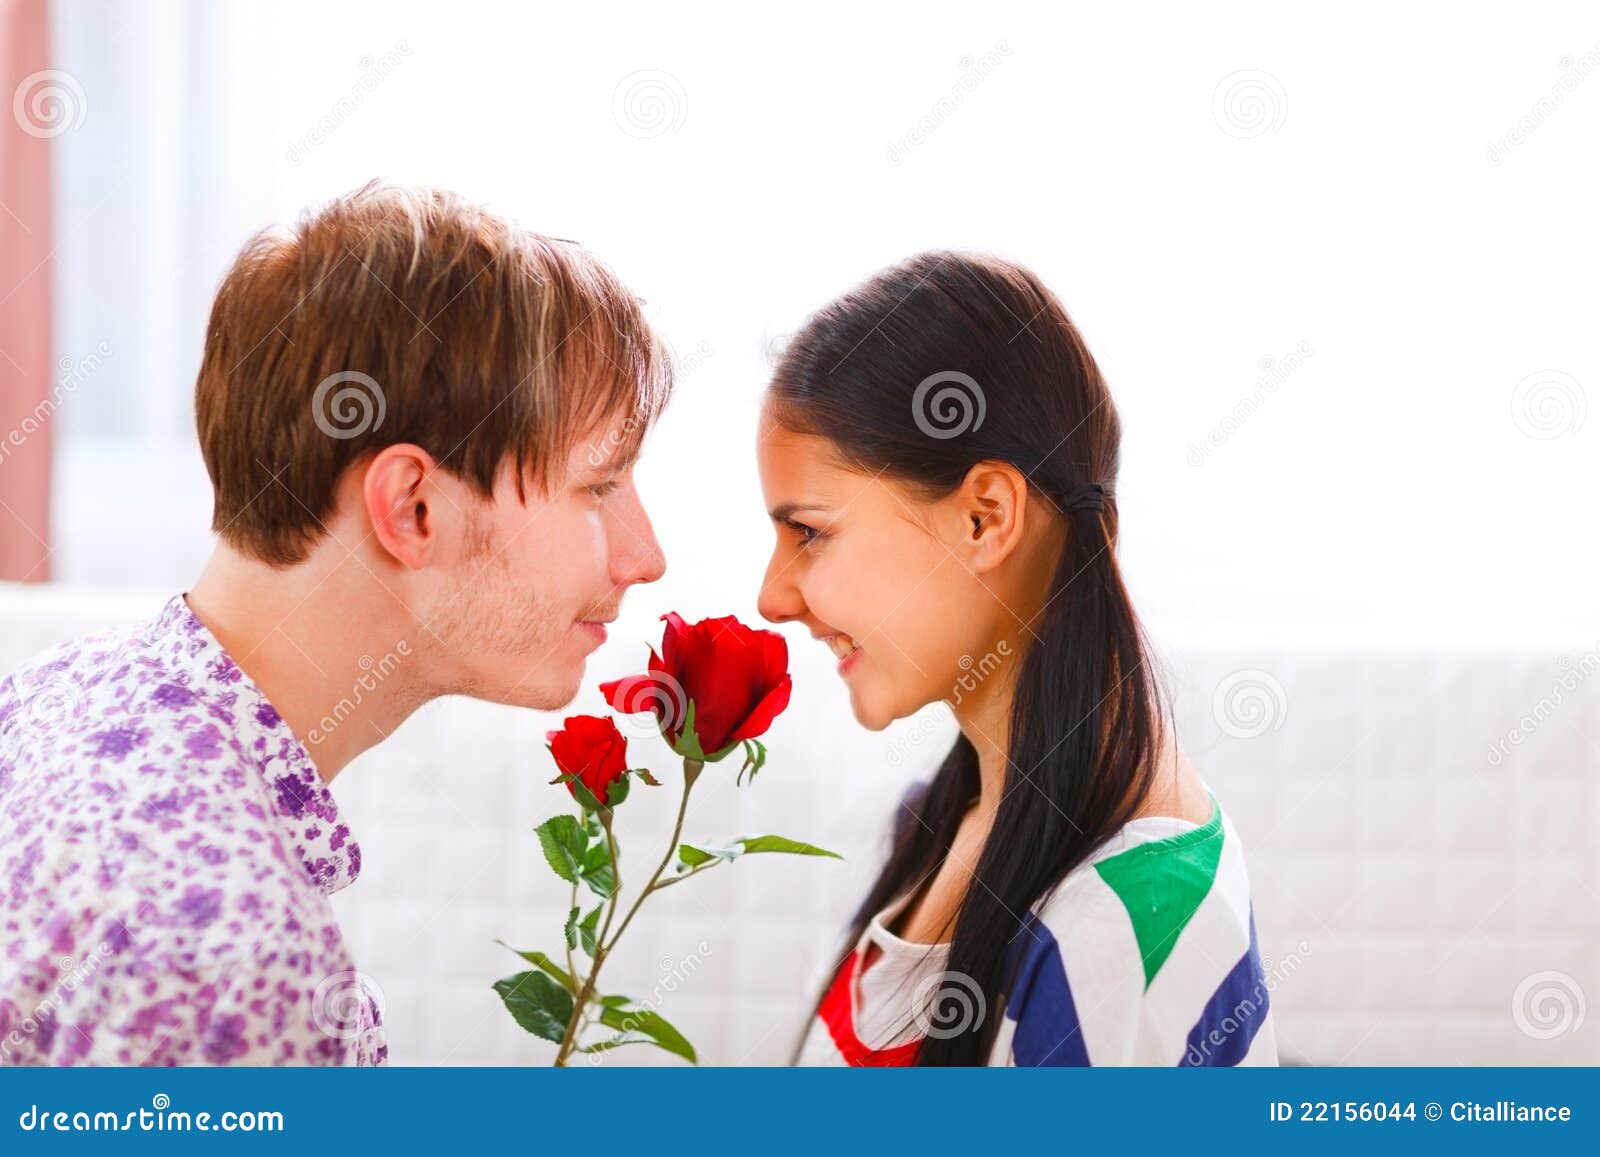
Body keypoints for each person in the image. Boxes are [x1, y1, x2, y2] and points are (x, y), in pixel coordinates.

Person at [0, 183, 669, 1065]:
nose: (644, 555)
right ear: (413, 507)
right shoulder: (234, 945)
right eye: (600, 486)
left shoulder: (61, 686)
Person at [756, 251, 1277, 1066]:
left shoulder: (1117, 928)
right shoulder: (944, 814)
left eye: (811, 532)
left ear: (986, 516)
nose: (774, 595)